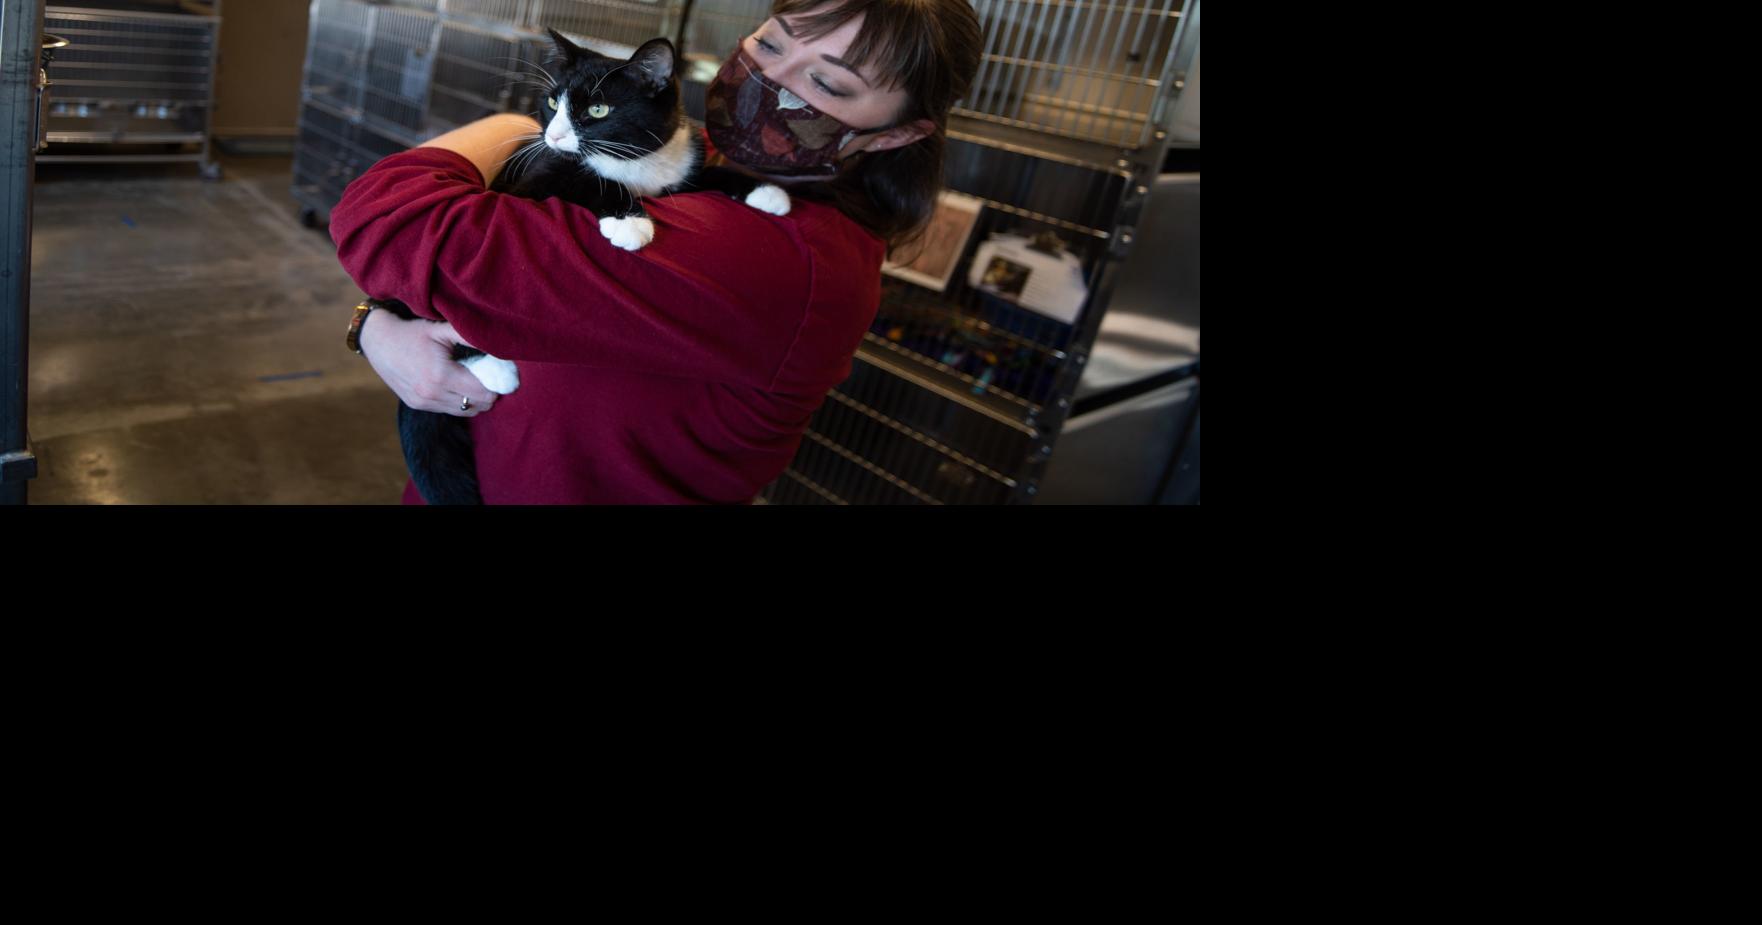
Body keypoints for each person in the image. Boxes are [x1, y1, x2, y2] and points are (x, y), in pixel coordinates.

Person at [331, 0, 984, 503]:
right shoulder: (717, 160)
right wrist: (376, 323)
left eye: (828, 85)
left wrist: (506, 129)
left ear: (898, 133)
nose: (767, 80)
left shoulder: (780, 259)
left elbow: (383, 221)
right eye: (773, 42)